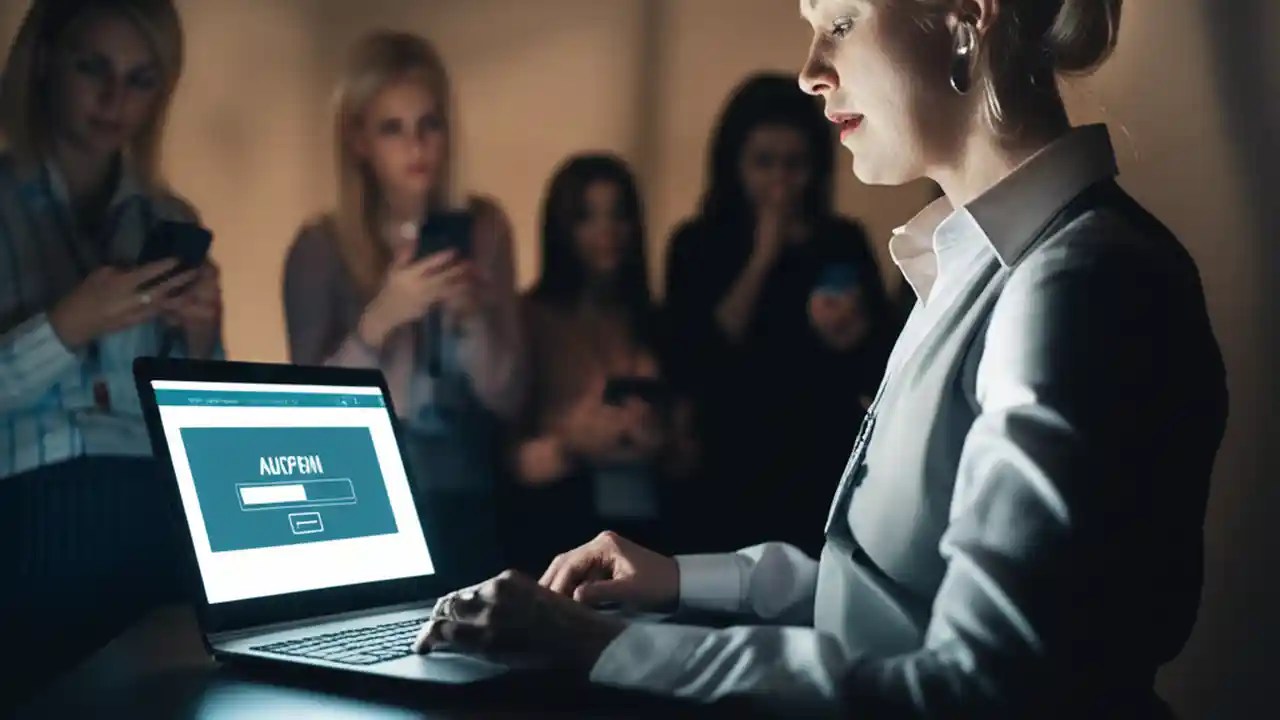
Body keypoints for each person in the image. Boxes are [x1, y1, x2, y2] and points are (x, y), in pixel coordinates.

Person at [410, 1, 1229, 717]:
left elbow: (984, 689)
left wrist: (601, 649)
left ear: (966, 19)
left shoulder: (1077, 282)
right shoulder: (964, 263)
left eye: (838, 23)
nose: (809, 73)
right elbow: (893, 599)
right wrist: (679, 580)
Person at [0, 0, 223, 698]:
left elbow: (203, 417)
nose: (114, 98)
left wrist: (201, 335)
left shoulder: (173, 219)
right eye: (93, 67)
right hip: (29, 508)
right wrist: (65, 325)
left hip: (151, 505)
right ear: (43, 64)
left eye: (141, 77)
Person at [282, 31, 521, 582]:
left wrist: (471, 321)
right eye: (393, 128)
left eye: (429, 124)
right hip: (366, 492)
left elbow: (509, 395)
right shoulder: (321, 247)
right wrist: (379, 320)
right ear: (359, 139)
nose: (417, 147)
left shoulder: (484, 229)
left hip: (469, 485)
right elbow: (304, 413)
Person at [663, 73, 891, 555]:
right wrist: (763, 256)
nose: (780, 182)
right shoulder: (698, 244)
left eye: (795, 165)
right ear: (735, 164)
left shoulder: (842, 241)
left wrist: (852, 334)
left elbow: (881, 362)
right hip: (726, 464)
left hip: (820, 459)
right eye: (764, 164)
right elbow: (695, 356)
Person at [512, 154, 696, 565]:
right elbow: (506, 463)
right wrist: (574, 442)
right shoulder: (530, 318)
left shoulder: (655, 321)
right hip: (560, 525)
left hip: (652, 530)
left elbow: (689, 453)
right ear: (563, 227)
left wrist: (661, 441)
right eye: (587, 217)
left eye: (619, 214)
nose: (607, 232)